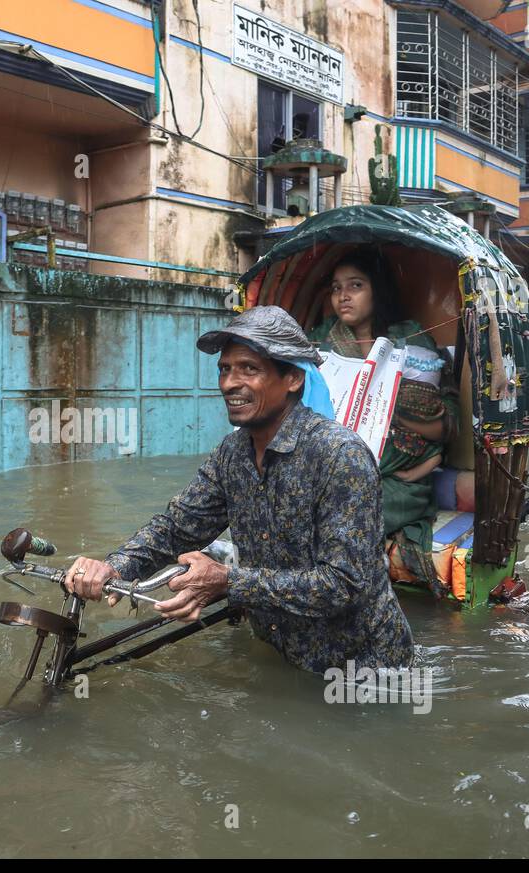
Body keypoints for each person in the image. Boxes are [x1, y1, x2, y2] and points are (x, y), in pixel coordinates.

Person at [65, 306, 414, 674]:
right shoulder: (232, 454)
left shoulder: (339, 455)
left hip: (364, 670)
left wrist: (227, 581)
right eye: (225, 369)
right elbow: (176, 528)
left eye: (249, 369)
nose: (230, 383)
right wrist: (113, 568)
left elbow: (342, 585)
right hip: (281, 656)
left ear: (292, 378)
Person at [309, 249, 460, 593]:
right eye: (335, 288)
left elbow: (440, 427)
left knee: (346, 512)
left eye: (356, 286)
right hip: (332, 471)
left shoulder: (411, 341)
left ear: (377, 291)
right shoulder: (320, 342)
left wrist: (428, 460)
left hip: (400, 480)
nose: (343, 296)